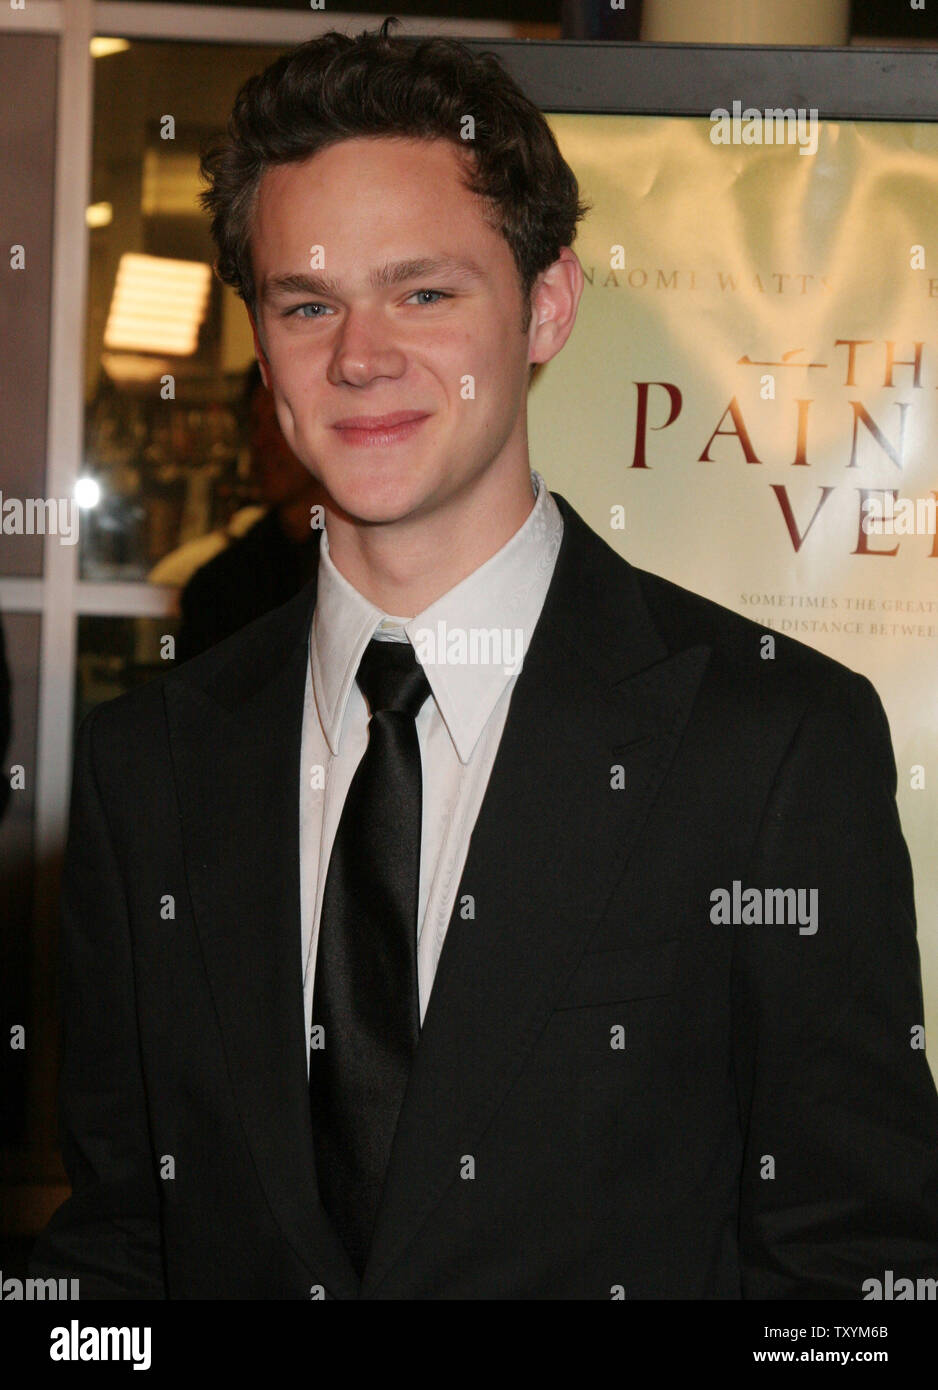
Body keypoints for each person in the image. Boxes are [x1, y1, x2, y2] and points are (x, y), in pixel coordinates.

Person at [30, 20, 938, 1299]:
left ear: (546, 306)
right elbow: (124, 1246)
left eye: (423, 292)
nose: (360, 356)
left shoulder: (769, 739)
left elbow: (854, 1267)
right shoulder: (151, 767)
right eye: (307, 303)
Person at [174, 362, 324, 661]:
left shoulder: (365, 565)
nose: (260, 443)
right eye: (254, 425)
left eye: (278, 424)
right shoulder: (219, 587)